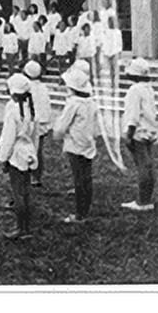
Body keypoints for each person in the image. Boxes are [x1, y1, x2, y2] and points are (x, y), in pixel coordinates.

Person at [54, 68, 100, 224]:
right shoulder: (92, 103)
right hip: (88, 143)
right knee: (86, 178)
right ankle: (85, 210)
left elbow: (62, 125)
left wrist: (58, 135)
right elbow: (95, 127)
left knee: (79, 180)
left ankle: (80, 214)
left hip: (75, 144)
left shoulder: (73, 103)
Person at [0, 74, 39, 240]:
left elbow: (8, 138)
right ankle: (26, 226)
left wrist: (3, 158)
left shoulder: (13, 110)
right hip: (28, 152)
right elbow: (35, 136)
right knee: (25, 191)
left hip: (16, 153)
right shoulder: (31, 109)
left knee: (18, 193)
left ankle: (22, 228)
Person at [121, 58, 158, 212]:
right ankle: (146, 199)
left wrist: (128, 134)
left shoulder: (134, 90)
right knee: (148, 166)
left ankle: (143, 201)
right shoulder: (148, 89)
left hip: (138, 132)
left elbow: (133, 115)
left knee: (143, 166)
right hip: (149, 131)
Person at [23, 60, 51, 187]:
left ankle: (30, 175)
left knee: (28, 149)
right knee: (38, 150)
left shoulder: (26, 87)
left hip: (32, 122)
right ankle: (37, 177)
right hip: (42, 122)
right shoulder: (43, 87)